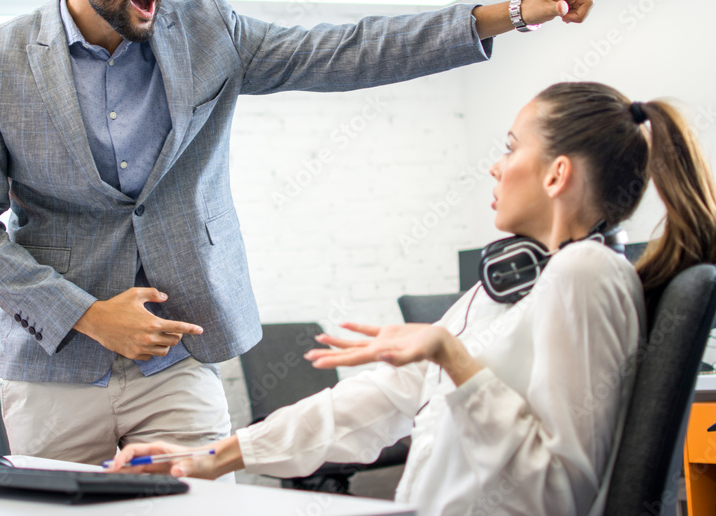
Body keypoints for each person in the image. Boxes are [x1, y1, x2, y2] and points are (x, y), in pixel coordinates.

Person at [0, 0, 611, 465]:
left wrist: (512, 12)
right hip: (53, 372)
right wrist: (88, 314)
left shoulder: (204, 25)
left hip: (178, 361)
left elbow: (344, 50)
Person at [108, 82, 716, 516]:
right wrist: (216, 455)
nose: (496, 168)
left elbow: (561, 491)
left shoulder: (586, 273)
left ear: (556, 174)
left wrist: (453, 357)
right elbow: (376, 401)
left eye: (511, 147)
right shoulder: (512, 284)